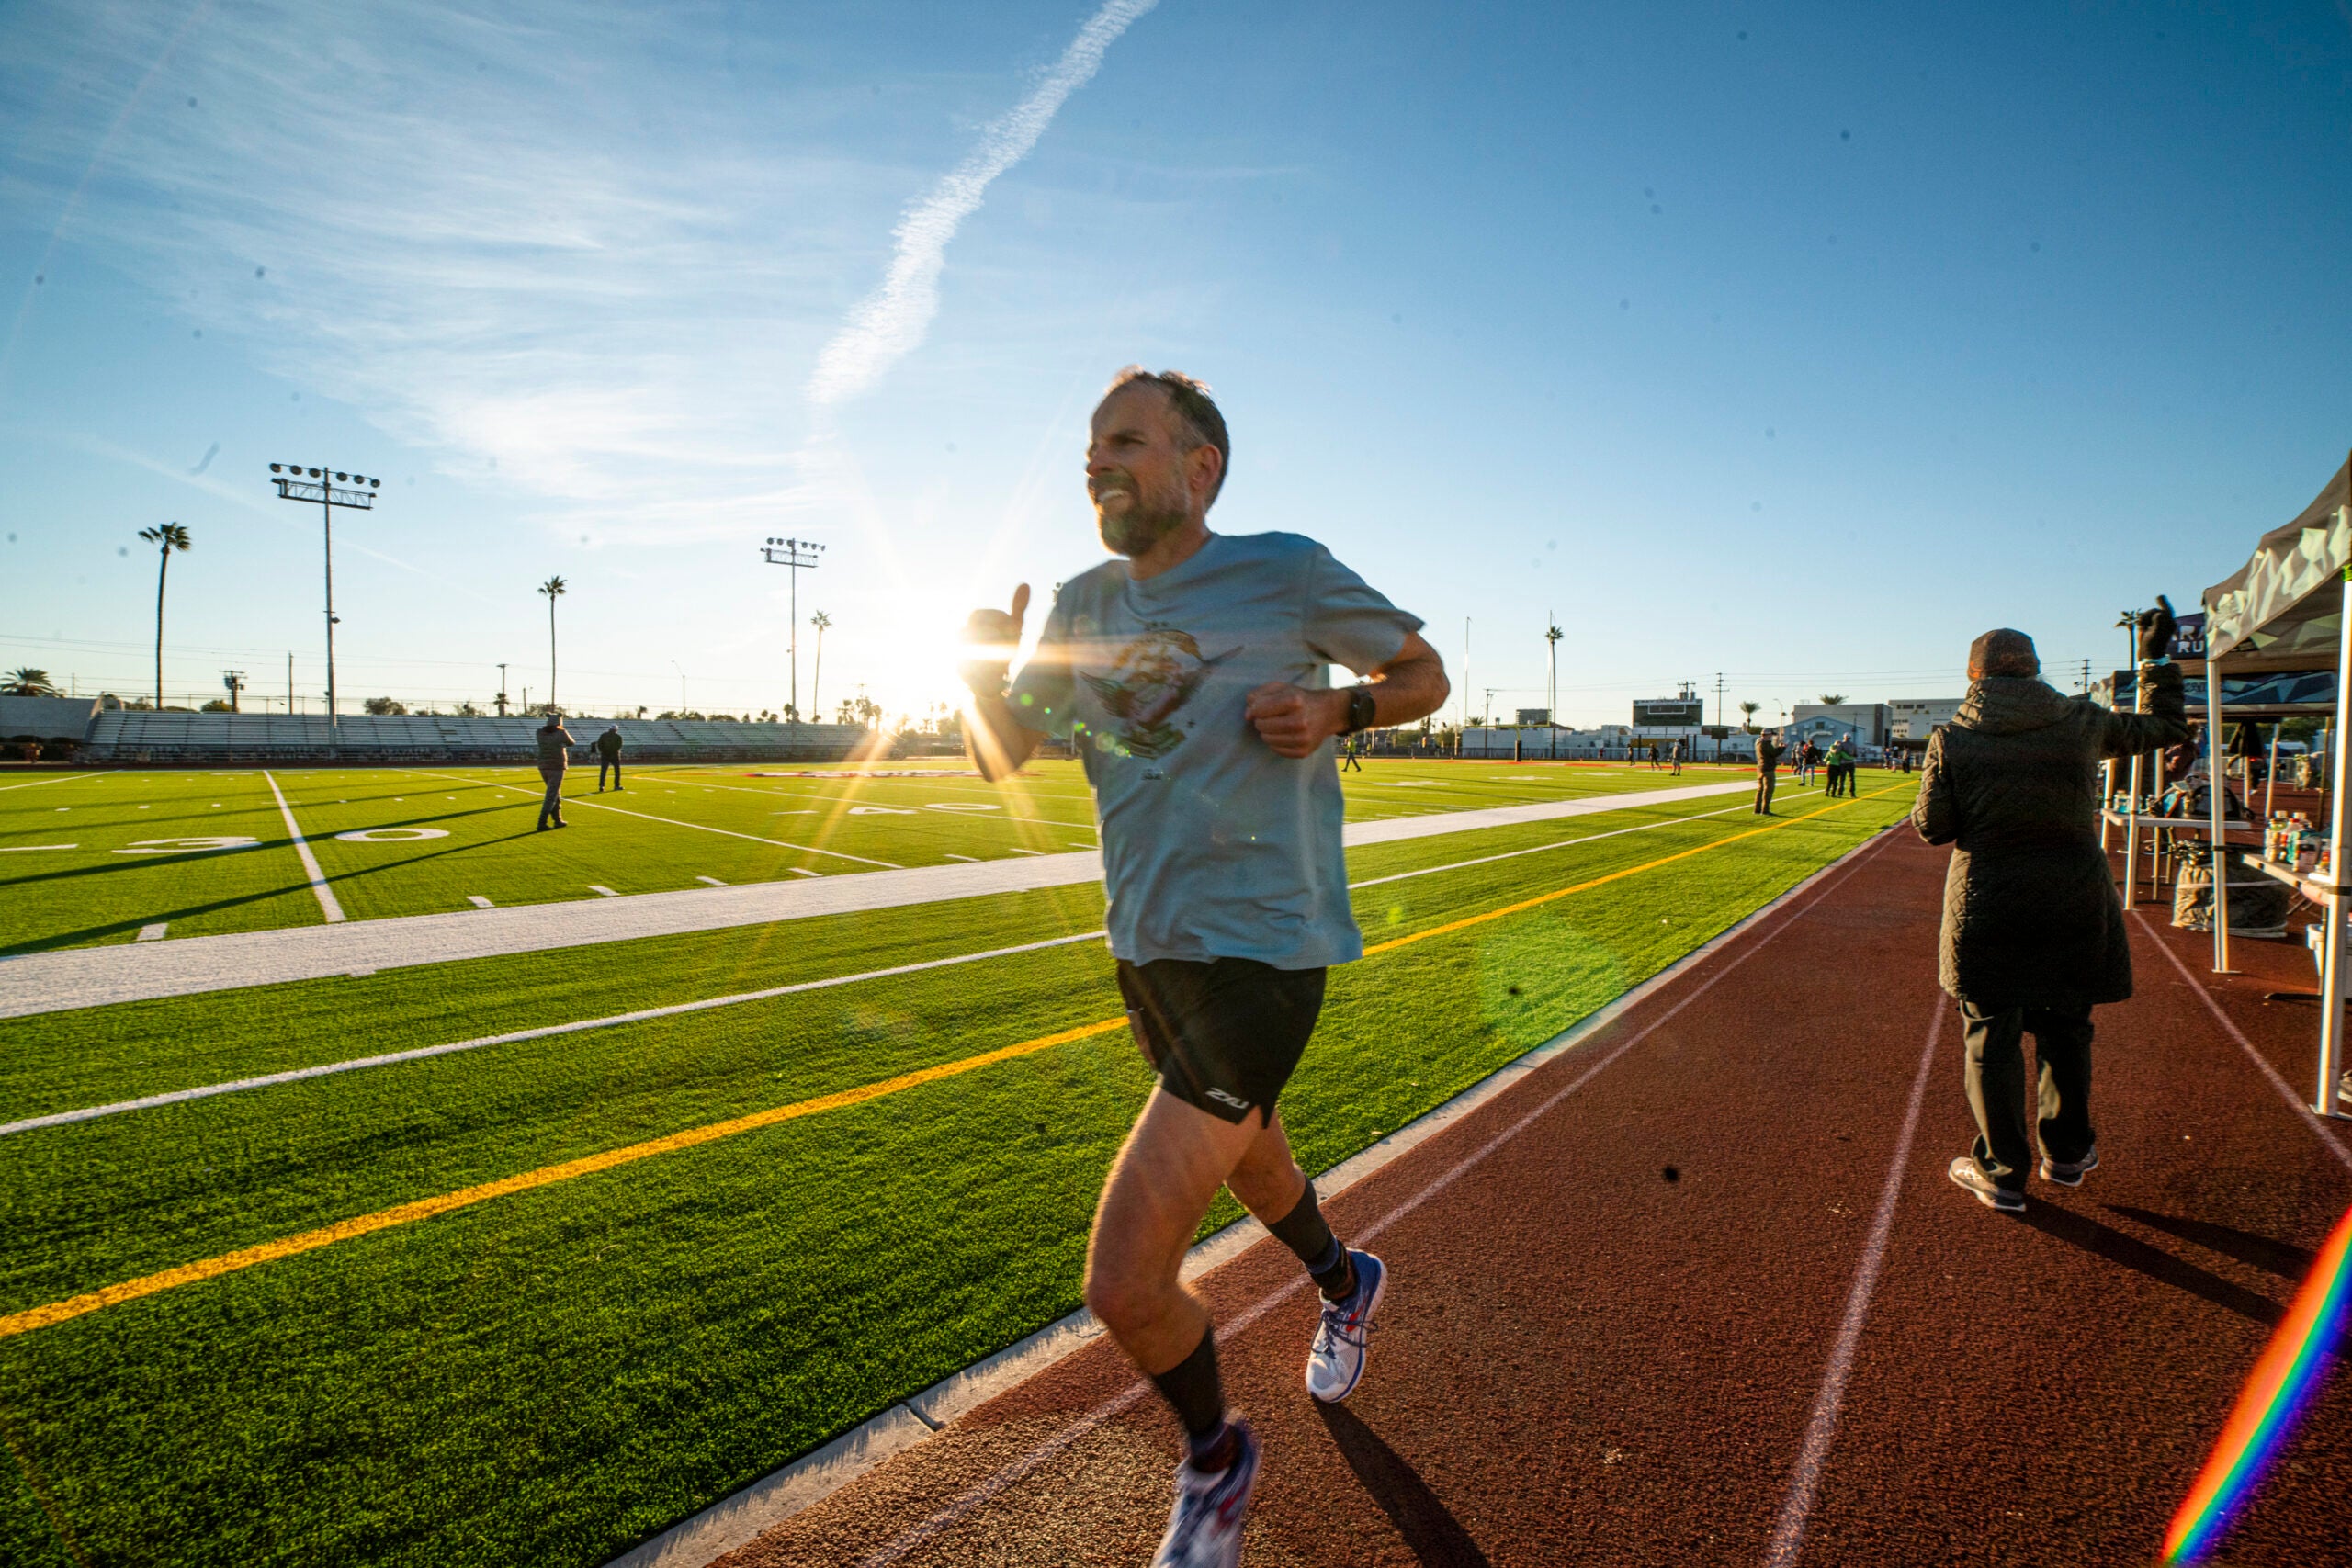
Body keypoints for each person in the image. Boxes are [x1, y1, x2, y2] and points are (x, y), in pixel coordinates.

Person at [959, 367, 1449, 1568]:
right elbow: (1002, 758)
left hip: (1265, 955)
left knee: (1126, 1278)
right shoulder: (1078, 599)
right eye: (1090, 445)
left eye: (1124, 440)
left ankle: (1215, 1453)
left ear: (1199, 467)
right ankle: (1347, 1276)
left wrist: (1340, 714)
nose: (1097, 460)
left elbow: (1425, 674)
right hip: (1153, 961)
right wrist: (982, 663)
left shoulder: (1281, 571)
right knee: (1257, 1158)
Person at [1912, 603, 2188, 1213]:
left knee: (1991, 1035)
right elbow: (2166, 726)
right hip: (2072, 898)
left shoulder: (1954, 737)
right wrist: (2158, 659)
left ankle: (2003, 1171)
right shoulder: (2081, 722)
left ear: (1974, 675)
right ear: (2036, 670)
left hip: (1988, 905)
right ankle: (2066, 1152)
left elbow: (1933, 827)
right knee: (2066, 1025)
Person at [534, 712, 576, 829]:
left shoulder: (539, 733)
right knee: (551, 795)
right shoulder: (561, 733)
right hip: (557, 765)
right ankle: (541, 822)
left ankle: (557, 820)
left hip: (543, 765)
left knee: (555, 793)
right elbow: (571, 742)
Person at [1754, 728, 1783, 814]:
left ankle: (1757, 809)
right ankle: (1765, 809)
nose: (1771, 737)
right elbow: (1773, 753)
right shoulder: (1765, 744)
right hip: (1768, 768)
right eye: (1770, 735)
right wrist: (1782, 748)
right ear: (1768, 735)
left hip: (1760, 767)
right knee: (1768, 789)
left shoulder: (1758, 742)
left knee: (1760, 789)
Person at [595, 724, 625, 791]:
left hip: (605, 755)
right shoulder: (618, 737)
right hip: (615, 755)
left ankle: (601, 786)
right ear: (616, 729)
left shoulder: (603, 735)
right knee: (617, 772)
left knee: (603, 771)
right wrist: (612, 751)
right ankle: (617, 785)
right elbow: (619, 746)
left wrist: (603, 751)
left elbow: (599, 745)